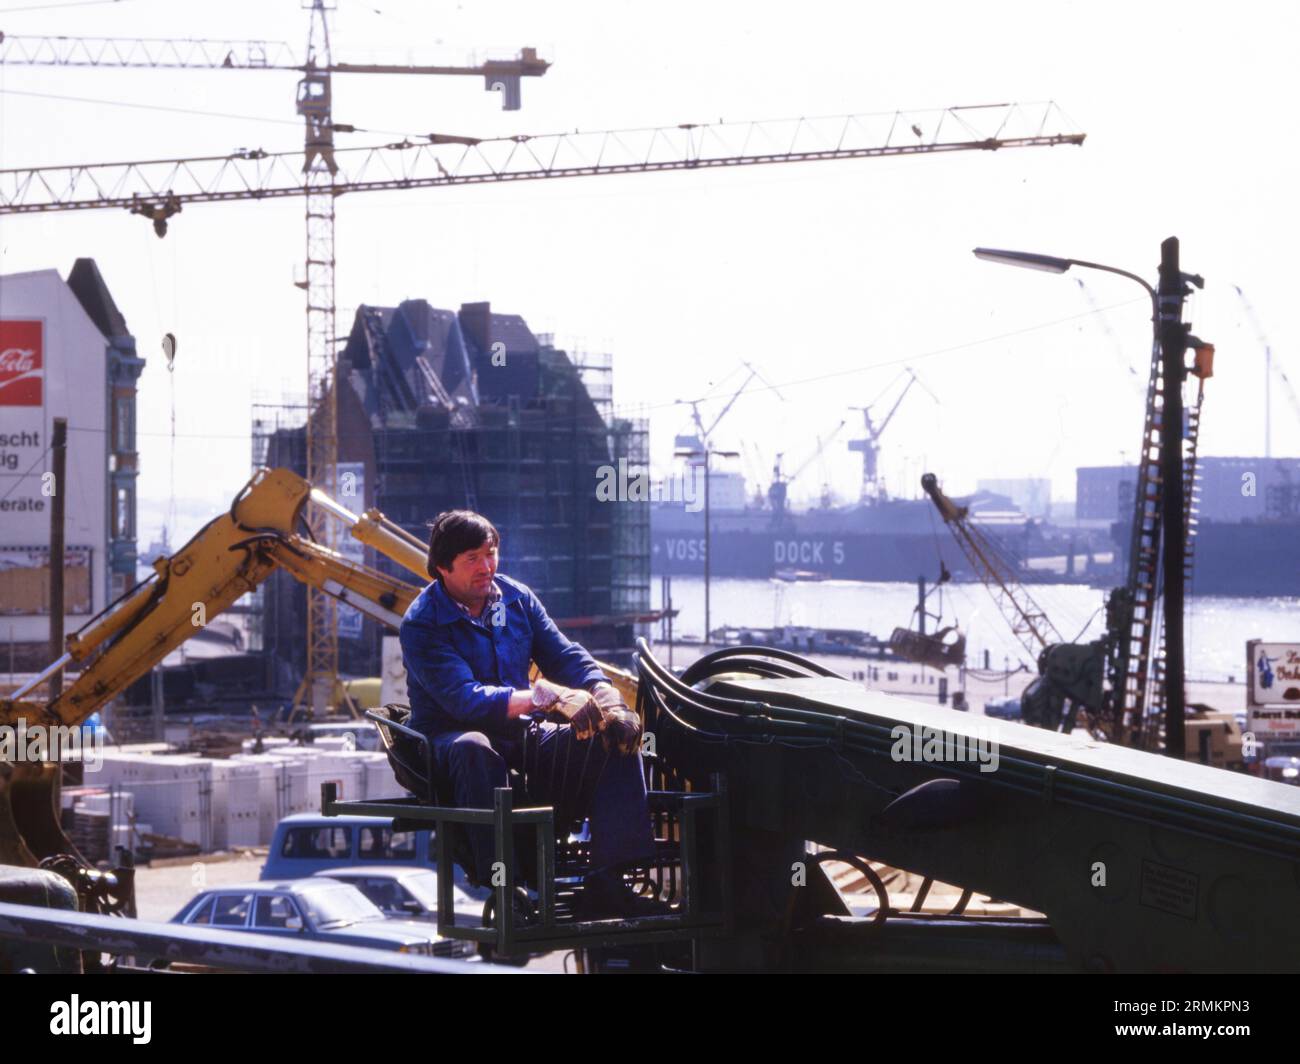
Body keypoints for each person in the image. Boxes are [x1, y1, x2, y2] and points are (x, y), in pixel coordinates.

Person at [399, 508, 664, 919]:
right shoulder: (422, 624)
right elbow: (464, 700)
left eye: (491, 554)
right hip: (451, 739)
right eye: (472, 559)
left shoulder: (516, 599)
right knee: (476, 748)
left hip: (519, 733)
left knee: (614, 741)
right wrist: (542, 696)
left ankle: (608, 881)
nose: (486, 567)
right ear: (441, 568)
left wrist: (607, 697)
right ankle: (507, 884)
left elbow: (564, 656)